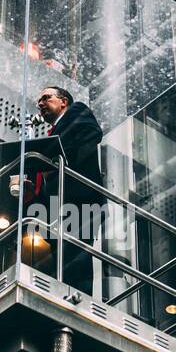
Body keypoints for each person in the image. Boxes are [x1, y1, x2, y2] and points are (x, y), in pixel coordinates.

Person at [24, 86, 105, 295]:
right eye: (39, 101)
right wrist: (33, 194)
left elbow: (93, 133)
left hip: (79, 199)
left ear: (64, 101)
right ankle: (68, 298)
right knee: (63, 259)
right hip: (55, 208)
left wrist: (60, 160)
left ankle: (80, 303)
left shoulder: (77, 111)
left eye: (46, 98)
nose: (41, 103)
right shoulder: (50, 138)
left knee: (77, 260)